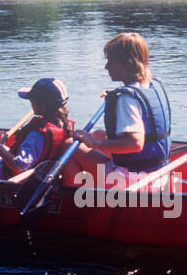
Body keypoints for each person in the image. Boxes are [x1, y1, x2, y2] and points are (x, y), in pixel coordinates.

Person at [72, 32, 172, 182]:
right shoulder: (153, 85)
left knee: (70, 146)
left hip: (134, 179)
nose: (106, 67)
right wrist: (115, 98)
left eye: (111, 61)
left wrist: (93, 143)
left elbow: (135, 143)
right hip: (160, 174)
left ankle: (73, 200)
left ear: (128, 63)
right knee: (99, 133)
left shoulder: (127, 99)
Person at [0, 78, 76, 179]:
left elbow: (19, 167)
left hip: (12, 175)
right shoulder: (64, 124)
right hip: (38, 169)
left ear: (42, 107)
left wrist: (0, 150)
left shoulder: (37, 134)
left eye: (32, 100)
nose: (30, 103)